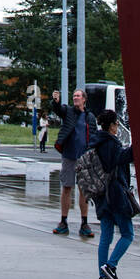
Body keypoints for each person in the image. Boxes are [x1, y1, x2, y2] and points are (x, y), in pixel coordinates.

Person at [88, 109, 135, 279]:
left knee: (106, 236)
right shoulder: (110, 143)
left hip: (100, 195)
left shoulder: (95, 142)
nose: (118, 127)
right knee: (128, 234)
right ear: (112, 125)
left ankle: (103, 276)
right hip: (115, 195)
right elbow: (120, 159)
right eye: (116, 124)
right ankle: (110, 266)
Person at [49, 87, 97, 237]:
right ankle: (63, 222)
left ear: (84, 99)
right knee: (67, 188)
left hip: (84, 158)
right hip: (69, 156)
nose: (75, 98)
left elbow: (94, 136)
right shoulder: (68, 111)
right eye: (74, 96)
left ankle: (84, 223)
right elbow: (58, 109)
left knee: (83, 190)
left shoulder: (89, 117)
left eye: (78, 96)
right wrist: (55, 101)